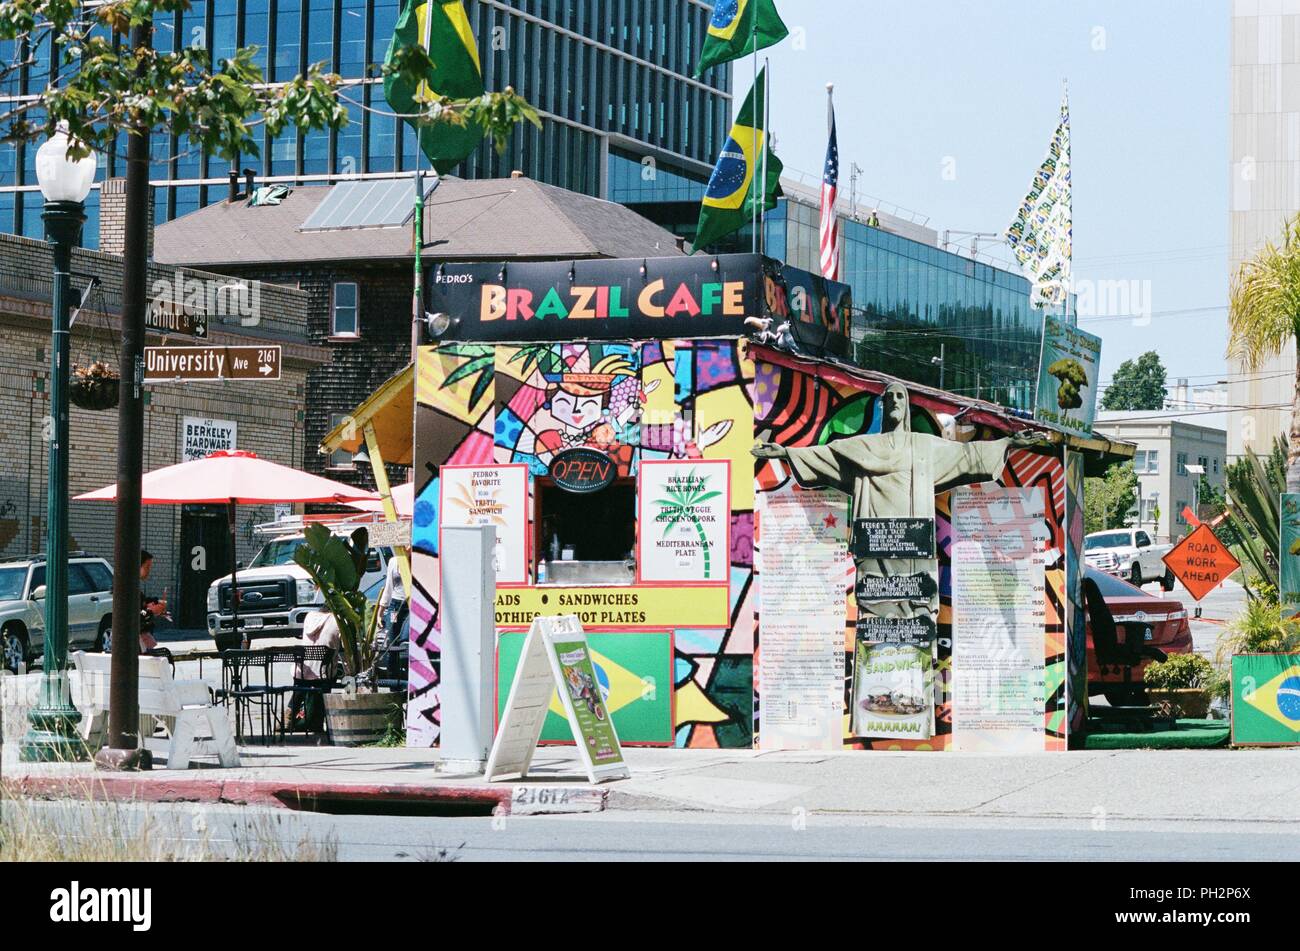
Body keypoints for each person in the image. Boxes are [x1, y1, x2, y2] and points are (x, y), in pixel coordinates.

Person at [138, 549, 168, 654]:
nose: (149, 571)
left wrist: (155, 603)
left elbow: (142, 605)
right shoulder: (128, 588)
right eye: (147, 567)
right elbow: (138, 615)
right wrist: (151, 611)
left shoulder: (134, 587)